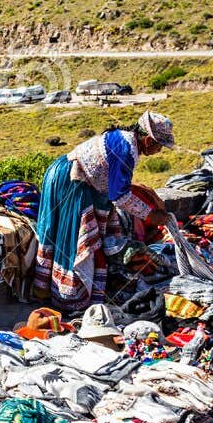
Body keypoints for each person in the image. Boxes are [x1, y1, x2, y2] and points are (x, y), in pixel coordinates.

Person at [32, 111, 174, 310]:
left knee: (63, 235)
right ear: (149, 140)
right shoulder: (126, 149)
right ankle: (68, 299)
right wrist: (151, 215)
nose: (160, 150)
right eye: (160, 145)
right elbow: (120, 196)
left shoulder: (126, 142)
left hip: (70, 177)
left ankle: (45, 291)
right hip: (73, 182)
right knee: (72, 242)